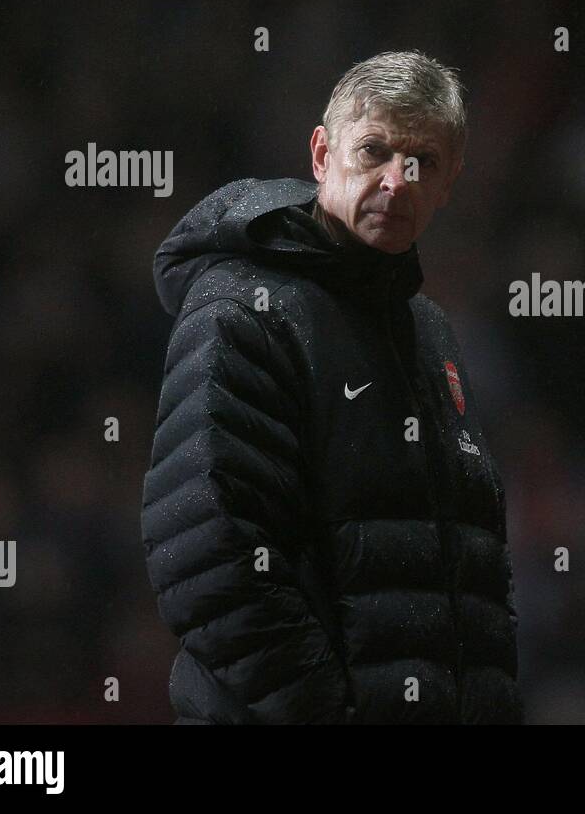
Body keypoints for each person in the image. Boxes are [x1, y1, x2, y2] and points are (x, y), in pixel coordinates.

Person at [141, 50, 523, 724]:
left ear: (450, 182)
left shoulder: (428, 333)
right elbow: (209, 557)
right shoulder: (242, 309)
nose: (396, 182)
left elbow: (463, 572)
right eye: (373, 150)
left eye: (422, 162)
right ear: (322, 154)